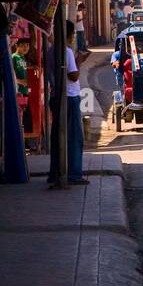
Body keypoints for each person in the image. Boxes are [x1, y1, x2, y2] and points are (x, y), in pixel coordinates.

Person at [54, 22, 87, 186]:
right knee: (75, 138)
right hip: (70, 96)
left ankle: (57, 172)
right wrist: (79, 60)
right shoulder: (66, 51)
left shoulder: (52, 50)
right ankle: (74, 174)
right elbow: (73, 75)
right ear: (70, 34)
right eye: (73, 34)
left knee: (59, 137)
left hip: (58, 96)